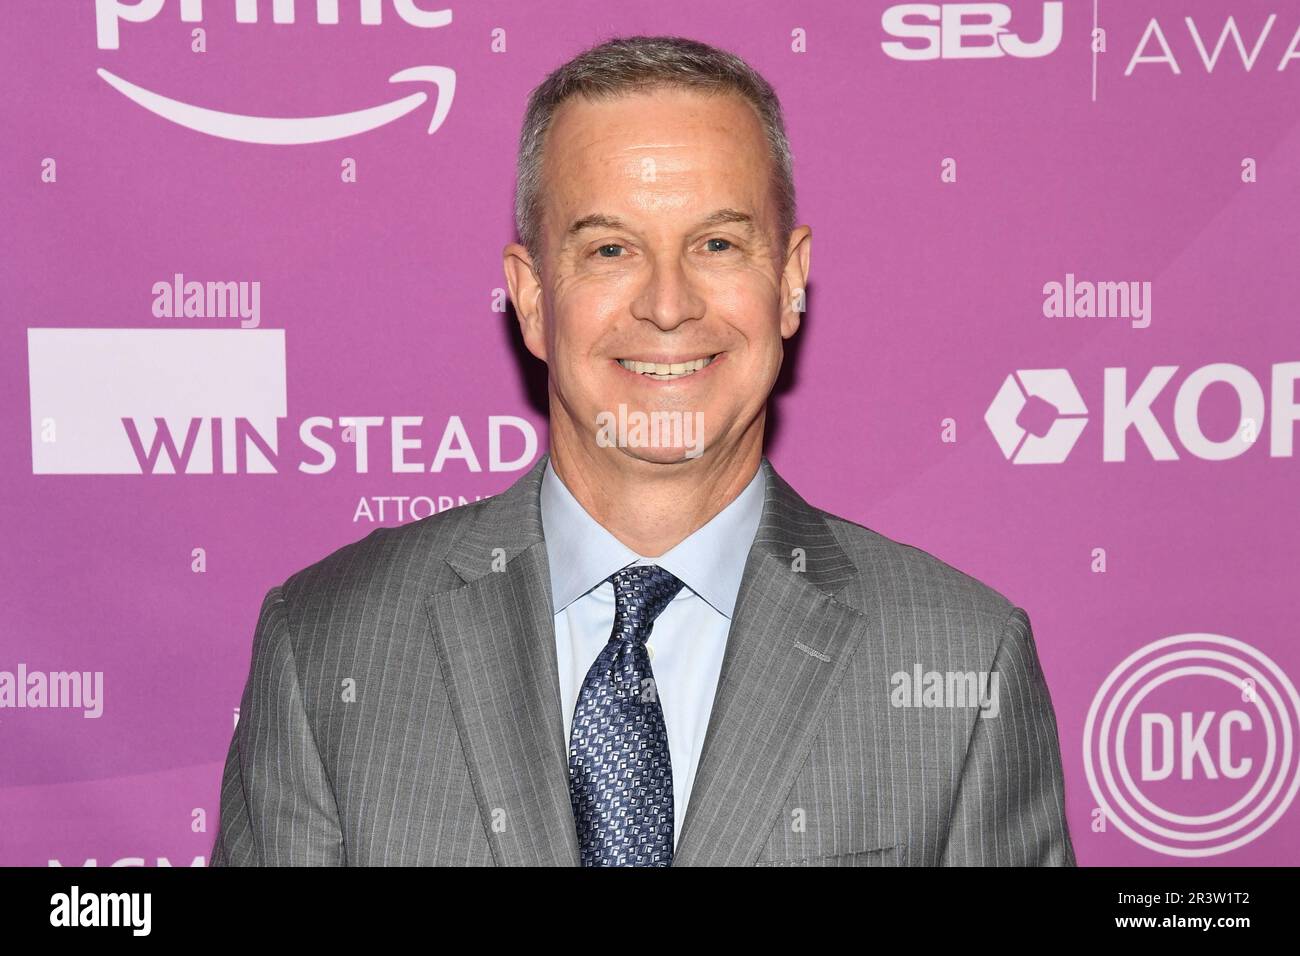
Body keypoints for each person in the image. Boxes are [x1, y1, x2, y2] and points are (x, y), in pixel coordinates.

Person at [211, 34, 1075, 867]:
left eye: (718, 244)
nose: (667, 305)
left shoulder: (962, 663)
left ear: (790, 281)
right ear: (533, 298)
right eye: (611, 249)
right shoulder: (329, 646)